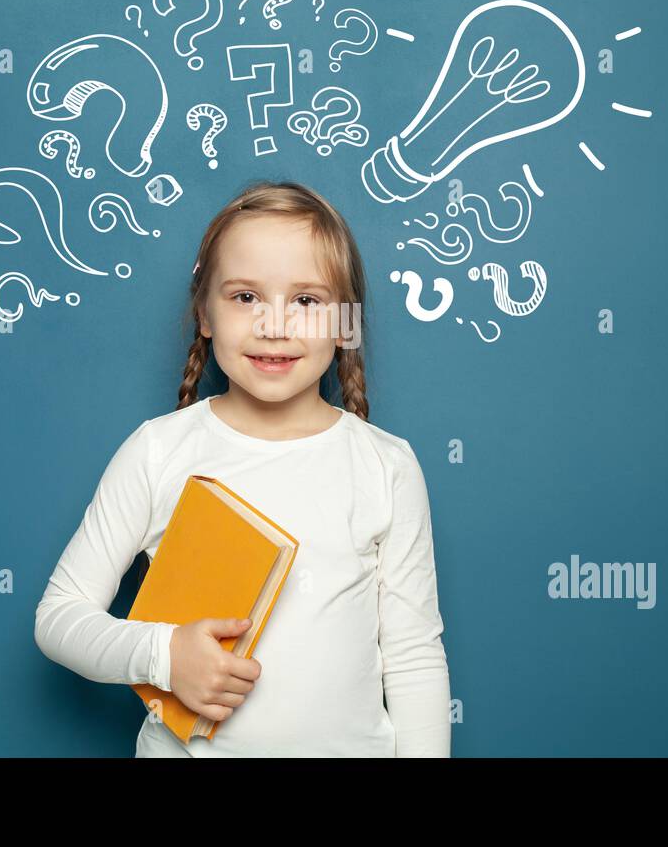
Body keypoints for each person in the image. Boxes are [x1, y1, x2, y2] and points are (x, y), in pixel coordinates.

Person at [34, 180, 451, 756]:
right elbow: (59, 619)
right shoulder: (159, 452)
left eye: (306, 300)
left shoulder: (386, 465)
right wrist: (165, 656)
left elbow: (413, 656)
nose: (273, 325)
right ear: (205, 313)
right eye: (245, 297)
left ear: (344, 323)